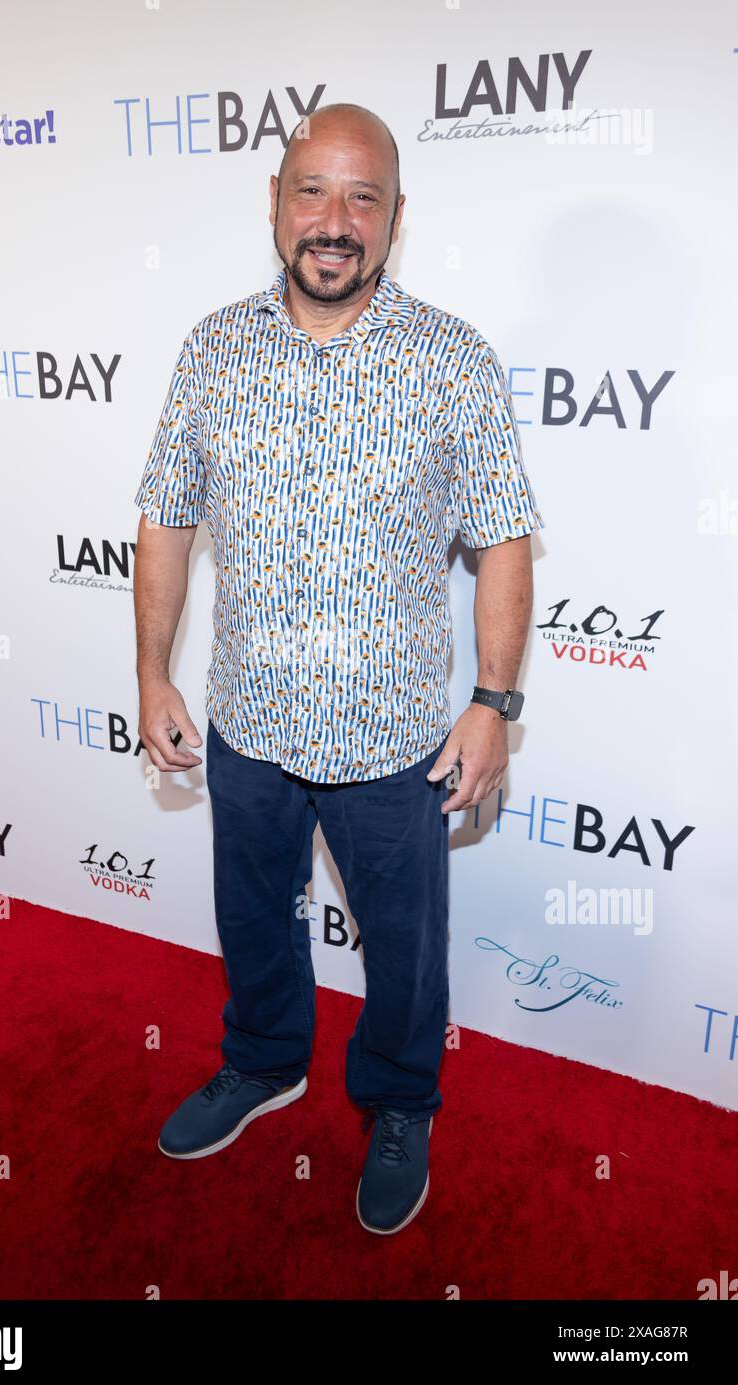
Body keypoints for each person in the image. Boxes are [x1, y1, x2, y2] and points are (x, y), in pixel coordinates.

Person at [132, 102, 544, 1235]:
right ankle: (266, 1060)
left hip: (394, 738)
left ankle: (401, 1098)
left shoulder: (452, 358)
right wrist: (152, 675)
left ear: (397, 218)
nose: (336, 220)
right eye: (313, 190)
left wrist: (494, 702)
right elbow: (166, 519)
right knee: (256, 917)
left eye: (365, 197)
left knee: (404, 948)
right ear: (274, 204)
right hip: (248, 721)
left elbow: (504, 537)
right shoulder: (212, 348)